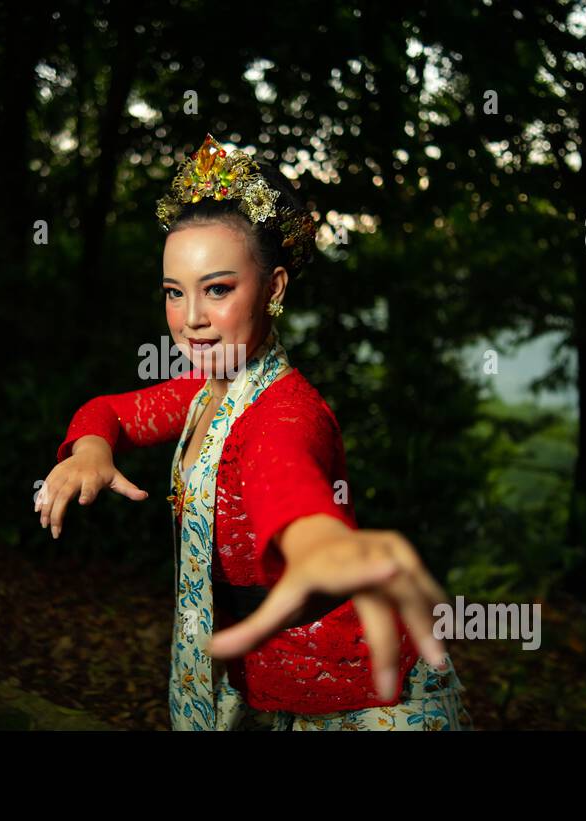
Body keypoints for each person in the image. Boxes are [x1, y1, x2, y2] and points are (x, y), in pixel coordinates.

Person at [35, 133, 473, 731]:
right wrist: (89, 450)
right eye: (174, 293)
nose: (191, 319)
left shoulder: (283, 412)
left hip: (359, 698)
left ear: (275, 289)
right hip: (262, 683)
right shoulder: (199, 392)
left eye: (217, 289)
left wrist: (318, 542)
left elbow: (287, 484)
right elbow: (109, 411)